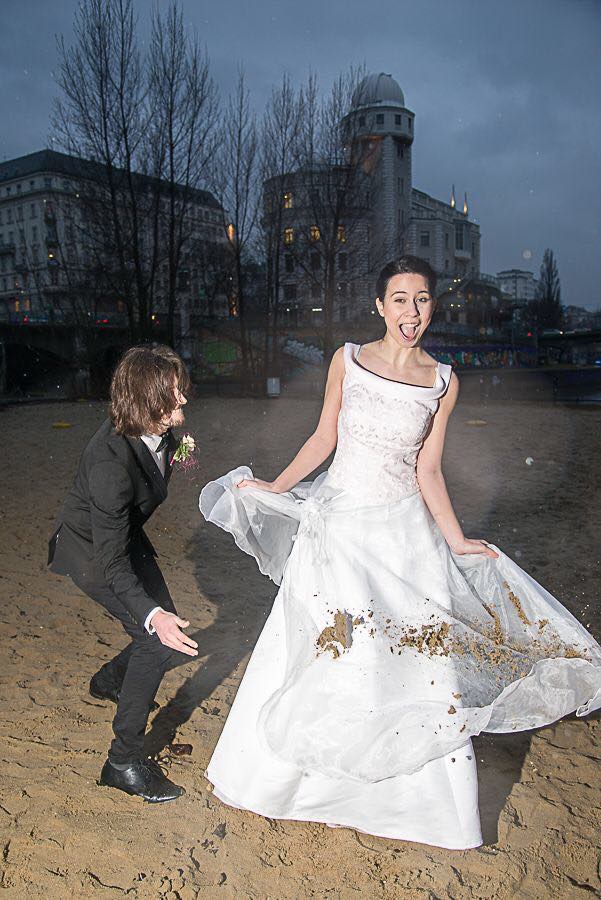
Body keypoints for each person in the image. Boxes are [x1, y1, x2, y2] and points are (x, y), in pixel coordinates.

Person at [199, 256, 601, 849]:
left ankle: (418, 809)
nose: (411, 312)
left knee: (415, 658)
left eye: (422, 300)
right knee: (335, 647)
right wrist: (279, 487)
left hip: (406, 534)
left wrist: (456, 539)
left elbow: (428, 468)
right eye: (400, 299)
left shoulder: (444, 381)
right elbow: (324, 436)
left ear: (432, 305)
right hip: (341, 527)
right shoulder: (347, 360)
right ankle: (301, 788)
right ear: (379, 306)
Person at [49, 344, 199, 803]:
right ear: (146, 401)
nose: (183, 400)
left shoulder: (157, 428)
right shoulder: (109, 466)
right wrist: (152, 616)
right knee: (157, 640)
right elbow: (111, 562)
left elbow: (164, 466)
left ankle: (111, 680)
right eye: (174, 394)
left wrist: (185, 459)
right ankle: (122, 763)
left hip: (123, 538)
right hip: (94, 555)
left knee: (161, 637)